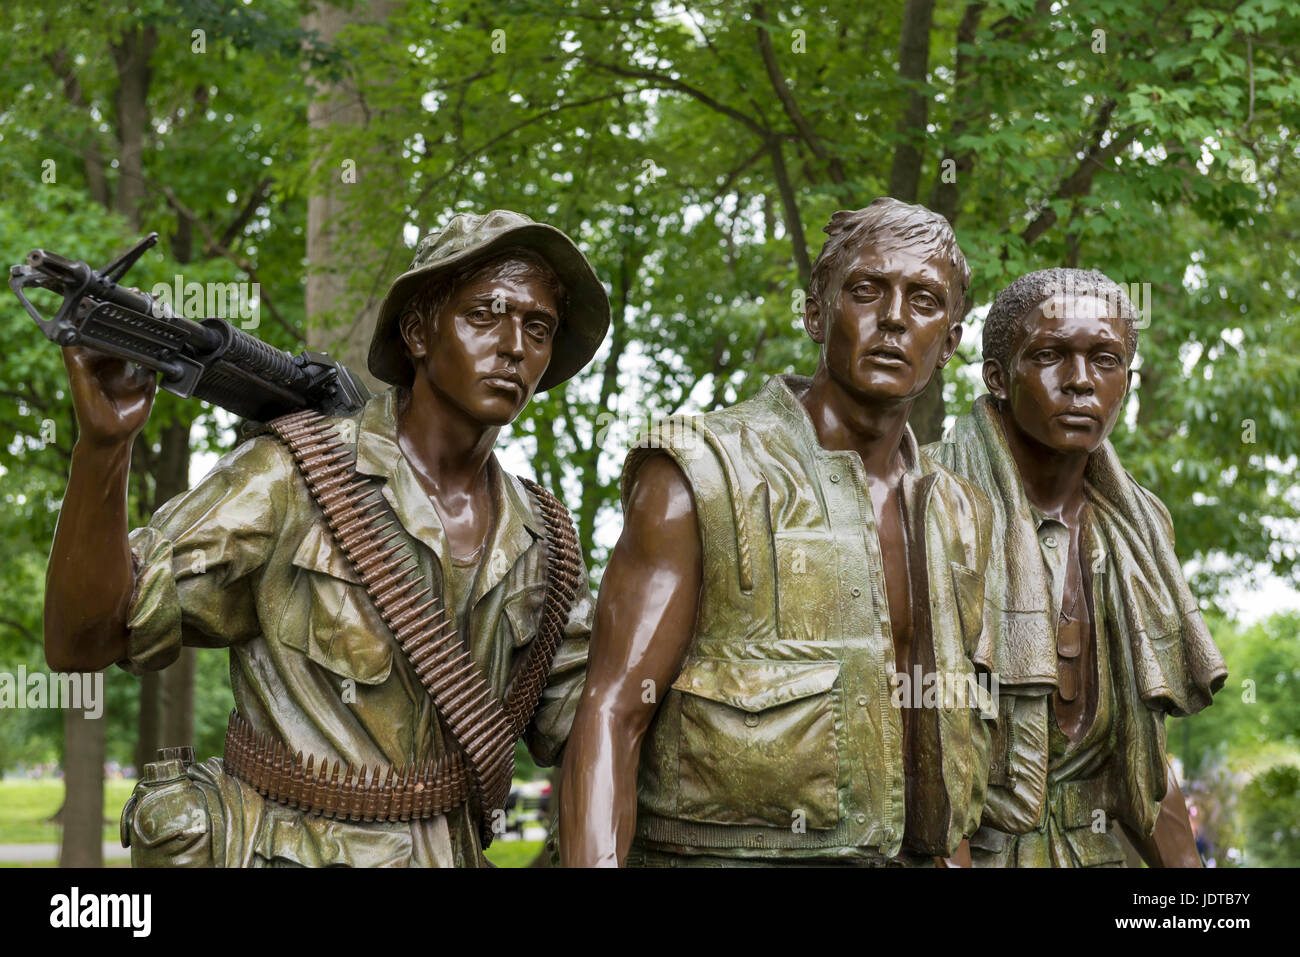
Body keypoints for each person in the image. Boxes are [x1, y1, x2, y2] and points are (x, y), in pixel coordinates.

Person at [44, 209, 610, 867]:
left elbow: (598, 731)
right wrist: (103, 450)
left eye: (537, 327)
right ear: (419, 332)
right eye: (485, 314)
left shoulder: (547, 542)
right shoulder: (290, 474)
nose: (514, 344)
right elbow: (82, 639)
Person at [560, 198, 996, 867]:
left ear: (952, 342)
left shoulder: (962, 516)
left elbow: (949, 749)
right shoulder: (699, 473)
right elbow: (613, 711)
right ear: (815, 313)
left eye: (926, 300)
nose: (895, 319)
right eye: (867, 290)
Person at [925, 267, 1226, 867]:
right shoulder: (924, 499)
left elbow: (1139, 753)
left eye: (1106, 360)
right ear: (998, 379)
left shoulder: (1140, 529)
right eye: (1050, 356)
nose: (1081, 382)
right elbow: (910, 741)